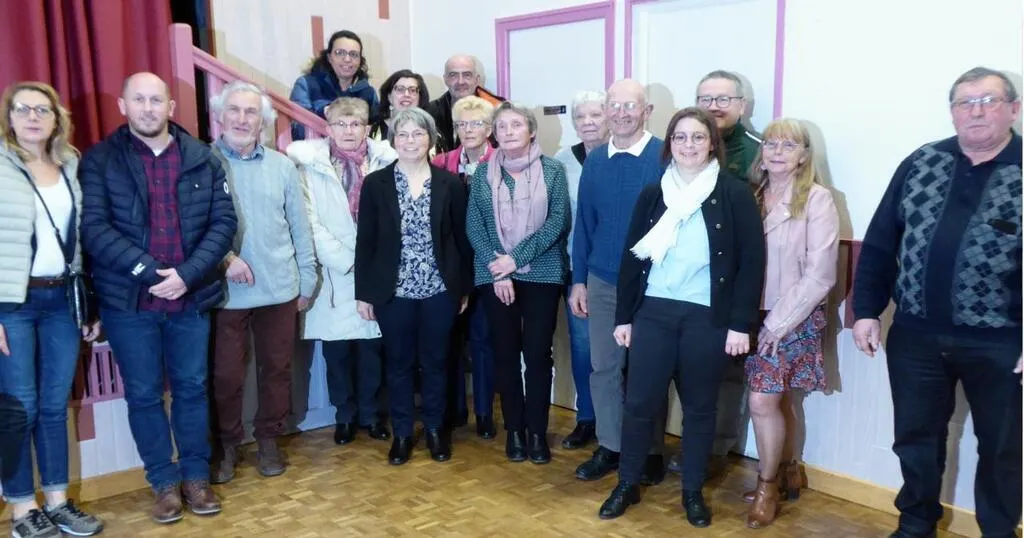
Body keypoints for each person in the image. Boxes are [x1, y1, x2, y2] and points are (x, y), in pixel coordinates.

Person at [852, 66, 1022, 538]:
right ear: (952, 113)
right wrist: (866, 311)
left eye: (988, 100)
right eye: (966, 102)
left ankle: (998, 532)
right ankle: (915, 524)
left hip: (1002, 343)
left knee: (1002, 448)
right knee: (915, 439)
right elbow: (881, 241)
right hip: (916, 336)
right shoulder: (921, 161)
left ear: (1013, 109)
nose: (976, 112)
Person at [80, 72, 237, 525]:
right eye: (139, 100)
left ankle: (195, 478)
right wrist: (150, 273)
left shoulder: (201, 157)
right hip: (130, 304)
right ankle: (164, 483)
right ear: (123, 105)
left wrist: (187, 275)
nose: (148, 108)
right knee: (144, 395)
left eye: (156, 100)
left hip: (190, 299)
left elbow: (223, 223)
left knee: (192, 389)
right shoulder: (100, 160)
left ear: (170, 107)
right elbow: (94, 228)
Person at [598, 107, 764, 527]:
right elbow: (632, 259)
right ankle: (626, 483)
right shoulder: (653, 194)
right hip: (653, 312)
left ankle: (692, 491)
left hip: (707, 318)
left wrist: (740, 324)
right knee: (640, 404)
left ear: (712, 143)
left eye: (698, 137)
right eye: (680, 137)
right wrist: (624, 317)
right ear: (669, 144)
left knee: (700, 408)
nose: (689, 145)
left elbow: (751, 264)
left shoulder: (733, 193)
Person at [0, 81, 103, 538]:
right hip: (12, 304)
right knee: (19, 407)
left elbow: (75, 242)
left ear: (56, 119)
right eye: (23, 109)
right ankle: (23, 508)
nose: (33, 117)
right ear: (9, 117)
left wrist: (86, 305)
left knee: (54, 405)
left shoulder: (69, 164)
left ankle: (58, 503)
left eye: (43, 110)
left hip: (61, 300)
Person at [207, 81, 316, 484]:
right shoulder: (202, 162)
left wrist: (307, 278)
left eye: (250, 112)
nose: (241, 119)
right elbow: (193, 227)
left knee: (277, 370)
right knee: (225, 376)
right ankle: (227, 444)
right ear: (220, 116)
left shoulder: (282, 166)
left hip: (279, 287)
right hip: (224, 293)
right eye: (234, 110)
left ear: (263, 121)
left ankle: (269, 438)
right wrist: (224, 259)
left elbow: (299, 226)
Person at [354, 107, 472, 466]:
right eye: (403, 134)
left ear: (431, 139)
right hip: (393, 291)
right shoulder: (375, 184)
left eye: (418, 133)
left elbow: (461, 241)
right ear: (393, 140)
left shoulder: (450, 184)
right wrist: (364, 293)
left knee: (437, 362)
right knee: (399, 364)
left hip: (440, 289)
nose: (410, 141)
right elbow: (366, 241)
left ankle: (435, 429)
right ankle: (403, 433)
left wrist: (462, 288)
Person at [665, 69, 766, 479]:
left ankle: (712, 452)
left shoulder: (759, 150)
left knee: (725, 375)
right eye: (706, 99)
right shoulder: (681, 151)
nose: (714, 106)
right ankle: (689, 446)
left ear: (742, 105)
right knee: (681, 369)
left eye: (723, 99)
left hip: (734, 280)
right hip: (682, 284)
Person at [741, 118, 839, 528]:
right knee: (779, 400)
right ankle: (789, 470)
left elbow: (821, 275)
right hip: (751, 313)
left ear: (803, 156)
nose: (778, 151)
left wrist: (777, 324)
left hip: (793, 315)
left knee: (762, 401)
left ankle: (767, 487)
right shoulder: (750, 195)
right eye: (771, 143)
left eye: (789, 144)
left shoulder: (817, 199)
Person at [569, 79, 666, 485]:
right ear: (607, 111)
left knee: (648, 371)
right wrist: (579, 281)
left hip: (651, 284)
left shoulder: (664, 155)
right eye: (615, 105)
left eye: (631, 105)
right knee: (604, 368)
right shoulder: (595, 161)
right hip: (602, 281)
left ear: (647, 111)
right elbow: (585, 225)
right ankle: (610, 445)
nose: (622, 113)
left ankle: (650, 450)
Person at [287, 96, 397, 446]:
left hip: (375, 270)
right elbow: (308, 222)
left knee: (372, 351)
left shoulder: (386, 162)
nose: (349, 131)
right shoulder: (309, 166)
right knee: (337, 354)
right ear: (328, 128)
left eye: (356, 124)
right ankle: (344, 416)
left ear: (368, 128)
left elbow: (393, 217)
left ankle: (371, 415)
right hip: (335, 273)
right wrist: (348, 259)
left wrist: (372, 260)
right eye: (341, 124)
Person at [466, 101, 570, 463]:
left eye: (516, 125)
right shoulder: (483, 173)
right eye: (502, 126)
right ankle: (514, 431)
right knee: (505, 354)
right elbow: (474, 225)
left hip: (543, 273)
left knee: (538, 356)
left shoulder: (553, 170)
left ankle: (537, 432)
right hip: (494, 276)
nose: (509, 132)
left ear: (531, 131)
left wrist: (516, 258)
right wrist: (501, 269)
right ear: (494, 134)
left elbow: (557, 222)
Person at [431, 95, 497, 439]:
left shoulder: (501, 161)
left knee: (483, 339)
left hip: (487, 264)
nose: (468, 130)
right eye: (462, 124)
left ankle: (484, 413)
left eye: (476, 123)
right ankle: (454, 409)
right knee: (448, 339)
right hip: (451, 264)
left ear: (489, 128)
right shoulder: (441, 163)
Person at [553, 90, 608, 450]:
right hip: (577, 272)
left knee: (617, 352)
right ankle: (587, 418)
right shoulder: (562, 161)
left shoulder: (622, 156)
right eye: (580, 116)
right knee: (584, 347)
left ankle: (615, 424)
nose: (588, 122)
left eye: (595, 115)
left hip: (616, 272)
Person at [290, 30, 379, 140]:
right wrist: (327, 112)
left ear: (360, 60)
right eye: (340, 53)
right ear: (329, 57)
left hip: (358, 150)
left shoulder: (368, 92)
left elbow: (375, 132)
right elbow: (298, 129)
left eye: (353, 54)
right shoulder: (306, 84)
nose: (347, 59)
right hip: (314, 148)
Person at [425, 55, 504, 152]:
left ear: (477, 79)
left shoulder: (497, 111)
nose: (460, 81)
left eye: (467, 75)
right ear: (445, 79)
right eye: (453, 75)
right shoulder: (429, 113)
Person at [369, 69, 429, 142]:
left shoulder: (429, 129)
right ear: (389, 97)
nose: (406, 94)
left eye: (412, 90)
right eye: (400, 89)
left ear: (420, 97)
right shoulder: (374, 130)